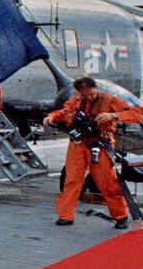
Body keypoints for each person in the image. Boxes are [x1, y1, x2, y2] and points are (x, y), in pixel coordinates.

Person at [44, 76, 143, 229]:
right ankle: (66, 216)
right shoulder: (76, 99)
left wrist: (113, 115)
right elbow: (64, 112)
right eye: (85, 95)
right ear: (79, 93)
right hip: (78, 144)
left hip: (100, 144)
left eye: (91, 94)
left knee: (108, 183)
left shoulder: (109, 100)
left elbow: (138, 114)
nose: (88, 98)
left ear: (95, 88)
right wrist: (51, 117)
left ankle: (121, 216)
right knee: (72, 180)